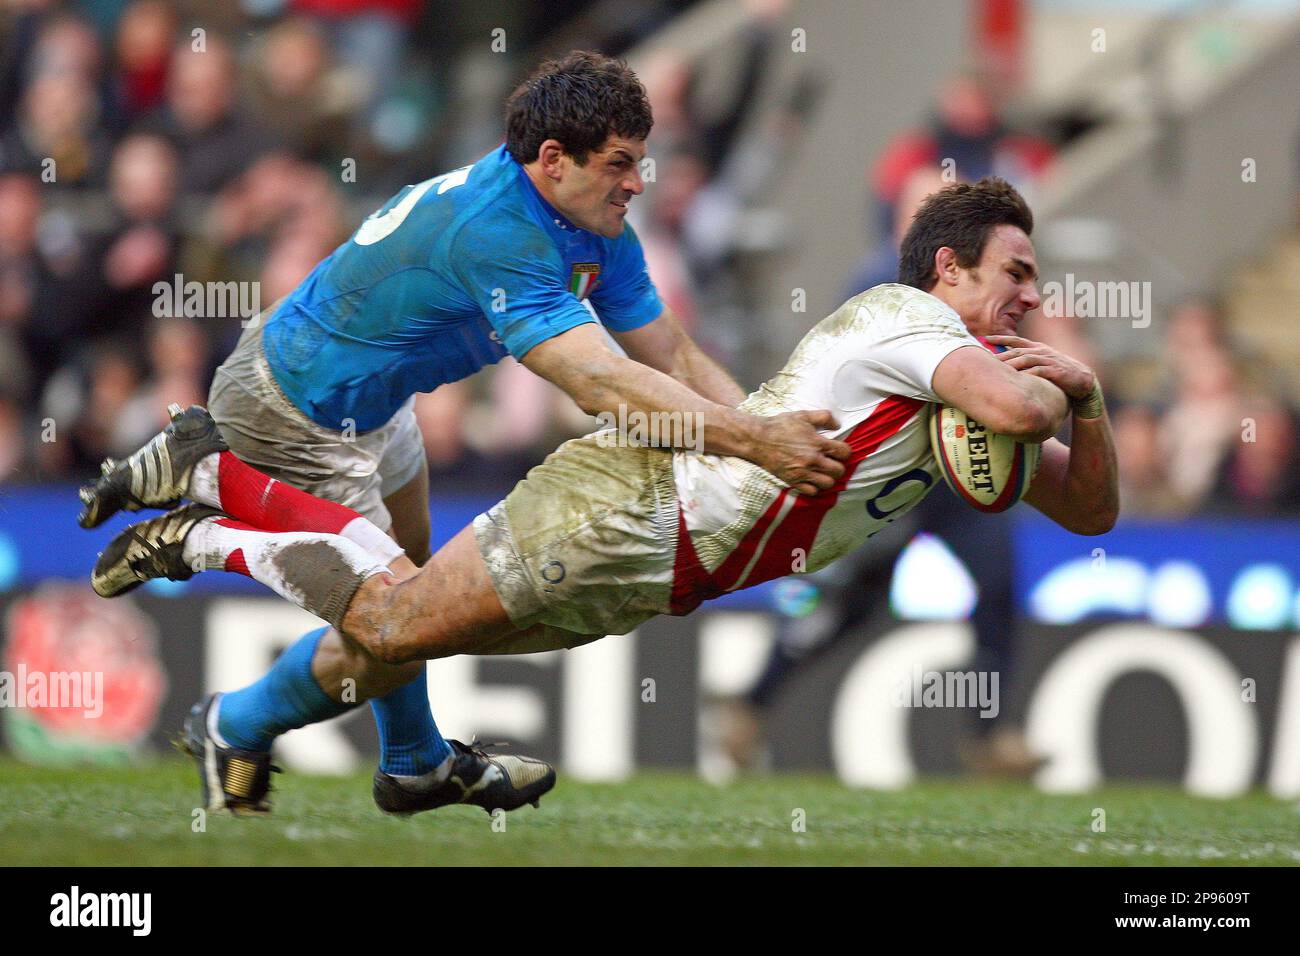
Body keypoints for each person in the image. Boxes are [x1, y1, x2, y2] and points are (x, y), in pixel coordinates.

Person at [87, 177, 1117, 815]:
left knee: (400, 632)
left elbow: (1089, 511)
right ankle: (210, 512)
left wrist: (1096, 406)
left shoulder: (966, 401)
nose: (1029, 295)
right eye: (1015, 271)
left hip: (663, 568)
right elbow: (1027, 414)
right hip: (626, 511)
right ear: (949, 266)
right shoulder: (909, 320)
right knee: (396, 611)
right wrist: (1058, 381)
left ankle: (238, 723)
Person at [77, 51, 849, 816]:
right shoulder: (499, 230)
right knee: (400, 616)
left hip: (371, 405)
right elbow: (601, 384)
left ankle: (408, 764)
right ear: (552, 159)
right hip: (292, 412)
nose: (637, 183)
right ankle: (206, 531)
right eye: (621, 163)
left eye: (641, 162)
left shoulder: (593, 221)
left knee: (412, 612)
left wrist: (759, 432)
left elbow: (671, 354)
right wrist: (754, 446)